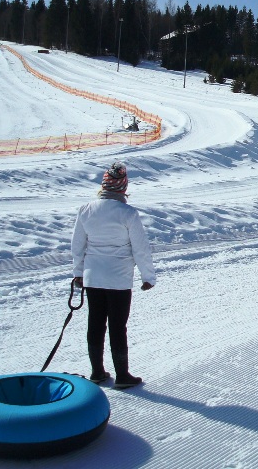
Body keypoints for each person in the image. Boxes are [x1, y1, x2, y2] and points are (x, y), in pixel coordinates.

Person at [72, 162, 155, 388]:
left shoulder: (86, 209)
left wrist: (79, 273)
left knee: (95, 323)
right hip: (118, 279)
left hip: (93, 277)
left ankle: (97, 372)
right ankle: (122, 375)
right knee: (118, 326)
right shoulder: (128, 213)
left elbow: (78, 245)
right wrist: (148, 277)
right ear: (123, 187)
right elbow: (140, 248)